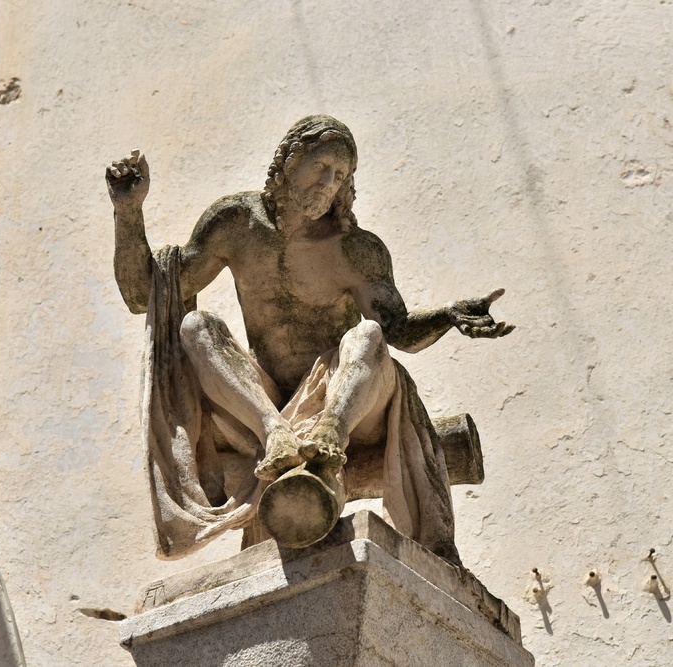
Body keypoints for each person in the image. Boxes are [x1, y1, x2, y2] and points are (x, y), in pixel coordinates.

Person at [108, 115, 512, 562]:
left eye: (340, 176)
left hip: (344, 396)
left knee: (369, 335)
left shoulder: (355, 249)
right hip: (266, 403)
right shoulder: (235, 223)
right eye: (320, 167)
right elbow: (146, 294)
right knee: (195, 327)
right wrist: (129, 213)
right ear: (288, 161)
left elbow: (399, 333)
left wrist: (448, 316)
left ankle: (327, 440)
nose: (328, 183)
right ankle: (276, 436)